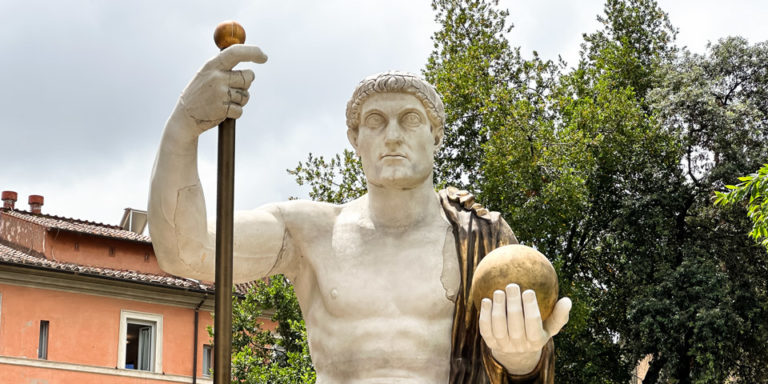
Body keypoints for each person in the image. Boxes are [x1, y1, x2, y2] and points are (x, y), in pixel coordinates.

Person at [148, 45, 571, 383]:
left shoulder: (483, 240)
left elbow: (528, 368)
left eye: (409, 120)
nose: (392, 136)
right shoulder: (307, 232)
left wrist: (521, 357)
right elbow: (184, 249)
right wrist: (185, 125)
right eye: (375, 121)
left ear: (436, 135)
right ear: (355, 137)